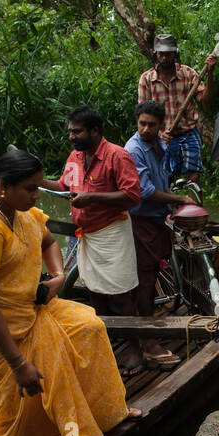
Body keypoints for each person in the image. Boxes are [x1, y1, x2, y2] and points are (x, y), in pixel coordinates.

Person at [0, 149, 140, 436]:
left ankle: (106, 413)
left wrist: (57, 276)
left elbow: (48, 242)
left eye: (38, 186)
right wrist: (17, 364)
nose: (37, 195)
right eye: (30, 188)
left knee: (89, 327)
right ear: (4, 186)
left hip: (31, 309)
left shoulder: (23, 214)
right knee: (18, 400)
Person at [41, 105, 145, 377]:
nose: (71, 137)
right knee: (96, 294)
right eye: (70, 131)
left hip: (112, 232)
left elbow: (133, 196)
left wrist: (93, 198)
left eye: (77, 132)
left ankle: (136, 349)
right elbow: (64, 185)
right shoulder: (75, 156)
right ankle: (105, 344)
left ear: (94, 131)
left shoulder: (117, 155)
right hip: (87, 236)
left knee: (121, 296)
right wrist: (38, 182)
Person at [126, 100, 196, 368]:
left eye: (151, 125)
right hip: (141, 217)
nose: (145, 129)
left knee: (153, 273)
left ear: (160, 126)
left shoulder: (160, 144)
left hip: (157, 218)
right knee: (145, 279)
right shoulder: (134, 149)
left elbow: (167, 171)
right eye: (142, 123)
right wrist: (179, 198)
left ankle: (148, 328)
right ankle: (148, 341)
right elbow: (145, 191)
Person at [137, 33, 215, 184]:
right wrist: (159, 133)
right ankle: (169, 207)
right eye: (161, 54)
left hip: (188, 132)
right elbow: (142, 114)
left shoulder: (188, 74)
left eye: (168, 54)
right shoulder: (146, 79)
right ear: (156, 55)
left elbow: (205, 102)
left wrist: (210, 74)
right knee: (165, 178)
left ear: (175, 53)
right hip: (162, 136)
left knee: (194, 177)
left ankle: (194, 206)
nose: (165, 58)